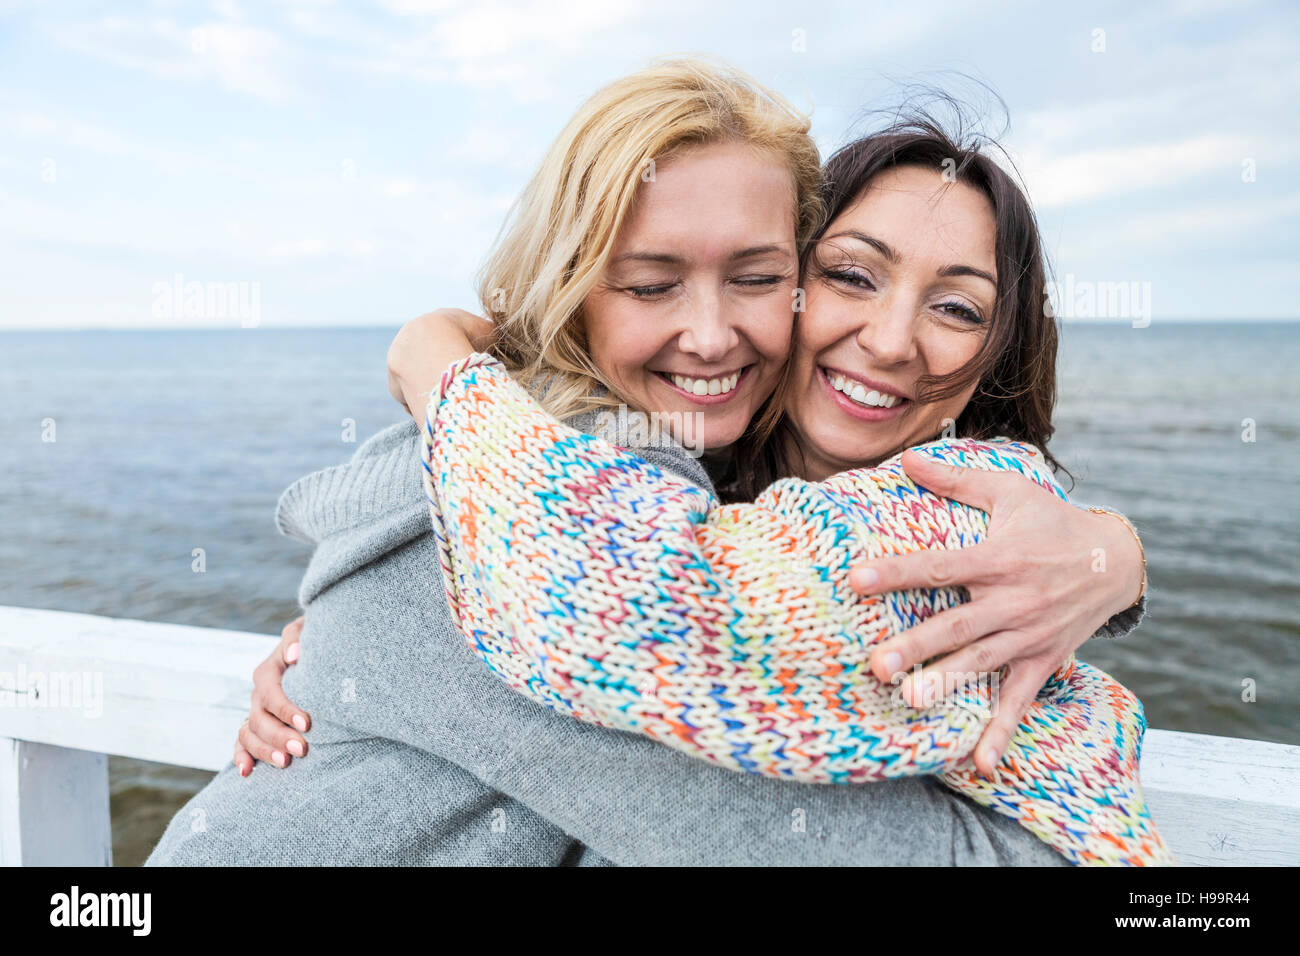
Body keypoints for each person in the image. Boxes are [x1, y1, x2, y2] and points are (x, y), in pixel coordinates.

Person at [147, 59, 1139, 867]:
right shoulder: (576, 524)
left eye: (957, 305)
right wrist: (436, 366)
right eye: (850, 274)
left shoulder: (924, 532)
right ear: (576, 287)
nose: (886, 338)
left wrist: (1107, 557)